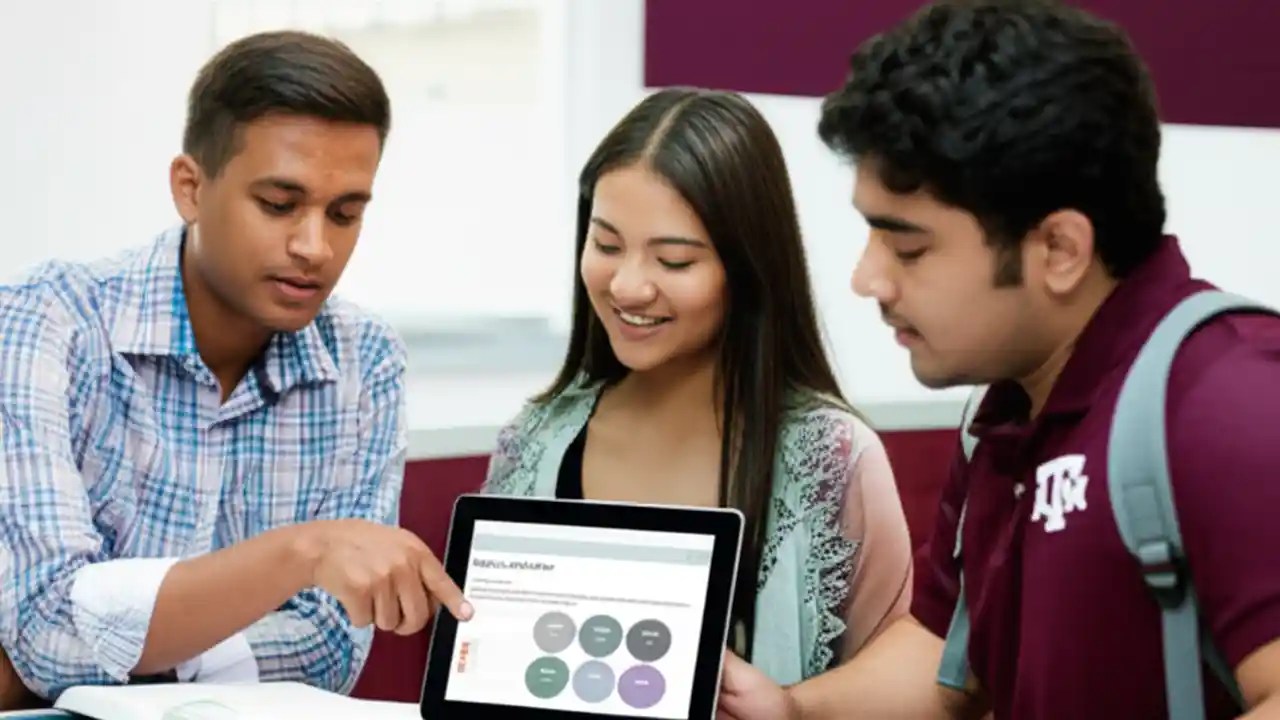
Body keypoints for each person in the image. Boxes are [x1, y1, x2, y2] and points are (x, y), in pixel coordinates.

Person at [715, 1, 1280, 718]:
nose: (868, 279)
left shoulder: (1229, 401)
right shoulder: (1003, 413)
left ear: (1059, 250)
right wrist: (795, 710)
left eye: (909, 248)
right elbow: (945, 658)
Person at [0, 30, 468, 707]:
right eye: (279, 205)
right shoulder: (47, 321)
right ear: (190, 188)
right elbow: (47, 629)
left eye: (344, 214)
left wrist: (112, 651)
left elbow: (331, 649)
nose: (314, 247)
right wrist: (302, 554)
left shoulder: (366, 360)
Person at [482, 87, 913, 684]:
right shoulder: (535, 443)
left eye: (675, 262)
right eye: (606, 245)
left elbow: (903, 684)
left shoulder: (833, 459)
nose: (628, 286)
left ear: (747, 268)